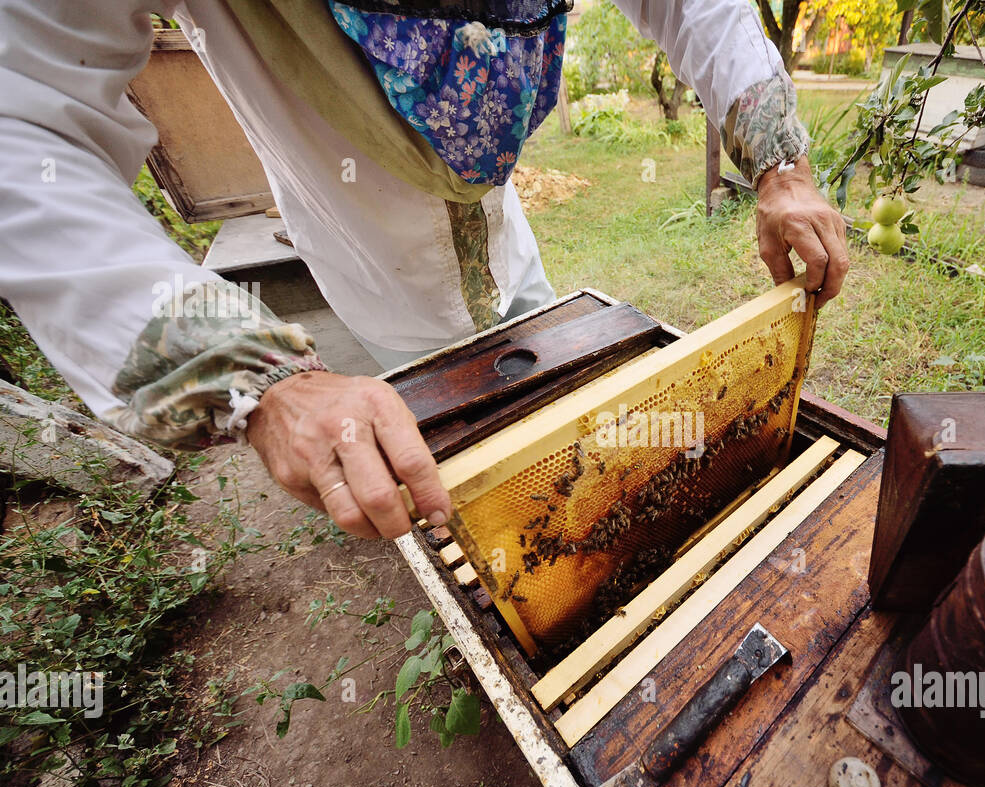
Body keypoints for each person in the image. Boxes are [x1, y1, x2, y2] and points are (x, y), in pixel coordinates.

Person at [0, 0, 849, 540]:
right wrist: (252, 383)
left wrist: (779, 160)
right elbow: (23, 121)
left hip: (503, 235)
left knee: (565, 445)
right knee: (449, 480)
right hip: (367, 252)